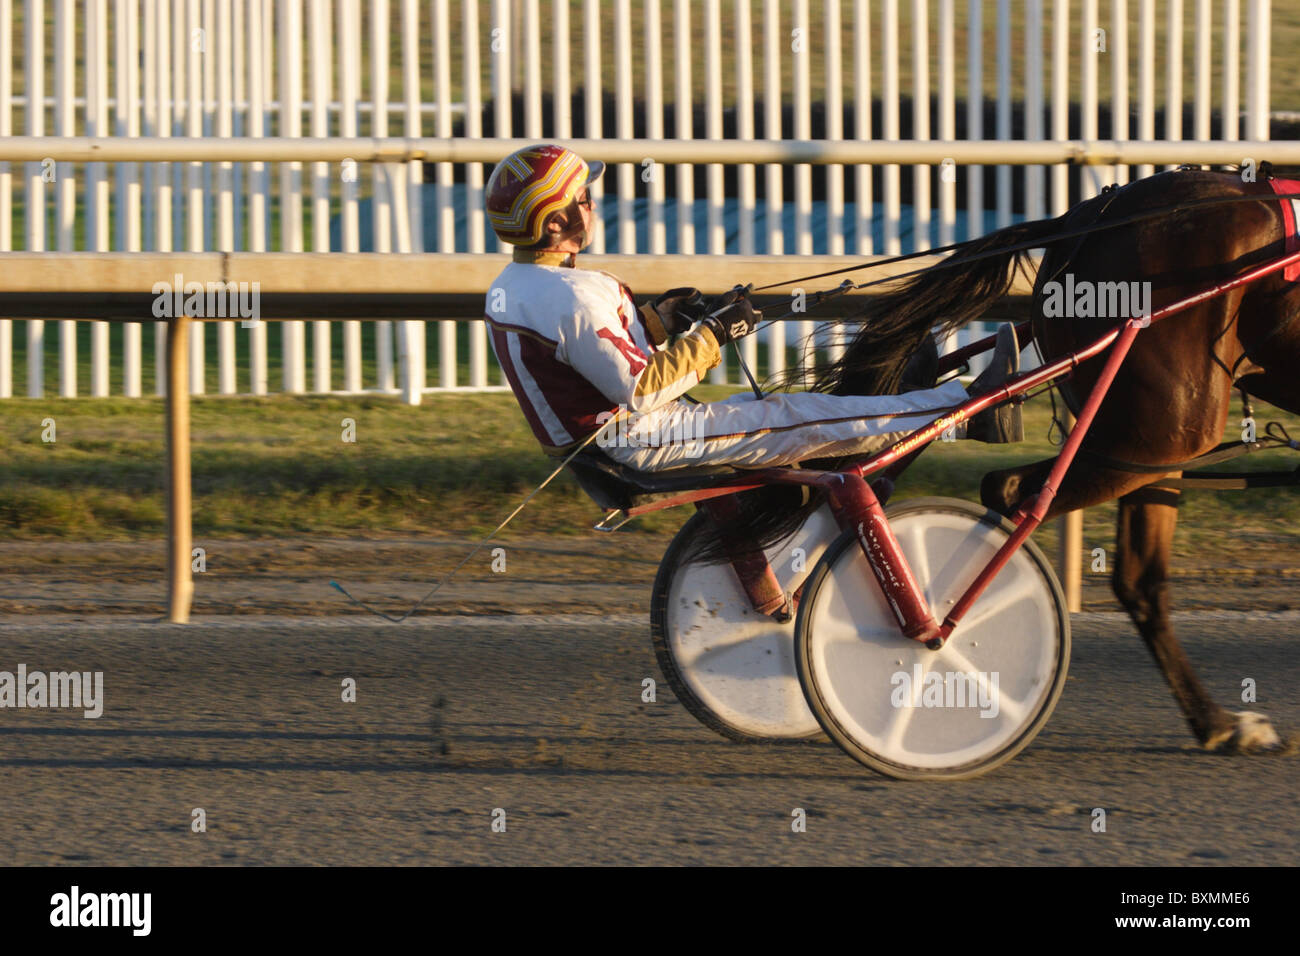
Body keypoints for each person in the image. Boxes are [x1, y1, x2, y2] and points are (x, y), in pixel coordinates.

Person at [483, 143, 1021, 472]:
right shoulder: (572, 294)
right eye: (581, 197)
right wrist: (716, 333)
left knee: (787, 415)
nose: (591, 204)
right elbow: (643, 390)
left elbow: (589, 354)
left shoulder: (520, 282)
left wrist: (659, 321)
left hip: (617, 437)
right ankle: (969, 411)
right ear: (554, 223)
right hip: (641, 438)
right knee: (794, 418)